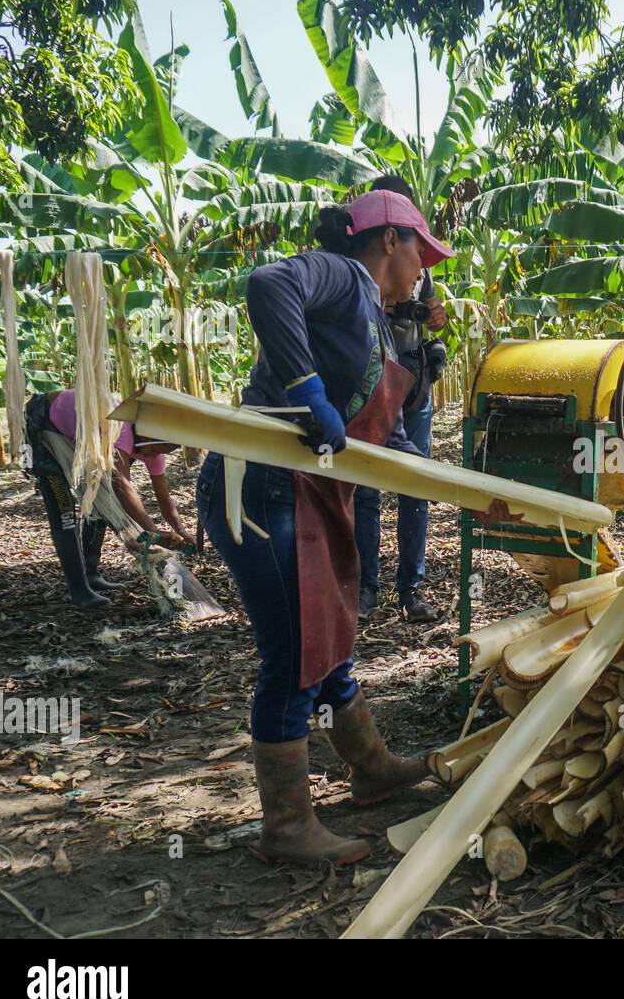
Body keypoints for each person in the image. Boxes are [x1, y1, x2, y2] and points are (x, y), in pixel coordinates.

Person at [195, 189, 455, 866]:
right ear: (388, 241)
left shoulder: (375, 314)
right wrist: (307, 389)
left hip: (309, 490)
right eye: (420, 253)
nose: (424, 270)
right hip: (263, 484)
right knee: (293, 657)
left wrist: (459, 491)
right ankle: (285, 826)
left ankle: (369, 767)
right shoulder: (342, 274)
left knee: (330, 636)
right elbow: (267, 282)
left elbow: (392, 441)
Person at [353, 175, 450, 623]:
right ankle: (365, 587)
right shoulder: (360, 273)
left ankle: (410, 588)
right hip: (377, 387)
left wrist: (433, 315)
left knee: (416, 489)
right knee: (367, 489)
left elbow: (438, 323)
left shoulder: (421, 266)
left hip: (415, 387)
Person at [24, 386, 189, 608]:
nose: (154, 457)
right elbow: (121, 485)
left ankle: (90, 573)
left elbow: (164, 497)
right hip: (42, 424)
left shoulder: (153, 448)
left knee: (100, 503)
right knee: (64, 512)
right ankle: (79, 590)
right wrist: (153, 531)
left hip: (76, 436)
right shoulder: (119, 431)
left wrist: (180, 530)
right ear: (149, 434)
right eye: (156, 449)